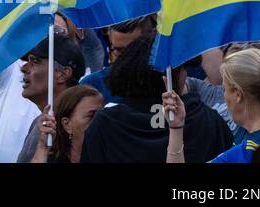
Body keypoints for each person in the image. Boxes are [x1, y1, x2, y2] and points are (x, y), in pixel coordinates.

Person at [79, 38, 231, 163]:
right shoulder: (207, 120)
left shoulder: (105, 124)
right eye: (183, 69)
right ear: (169, 77)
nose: (186, 77)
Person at [16, 33, 85, 163]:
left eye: (35, 61)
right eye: (27, 61)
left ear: (62, 74)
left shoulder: (79, 124)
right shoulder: (40, 122)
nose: (24, 68)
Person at [30, 85, 105, 164]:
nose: (100, 121)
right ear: (67, 124)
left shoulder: (112, 154)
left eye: (103, 115)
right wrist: (43, 147)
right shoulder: (52, 160)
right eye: (92, 116)